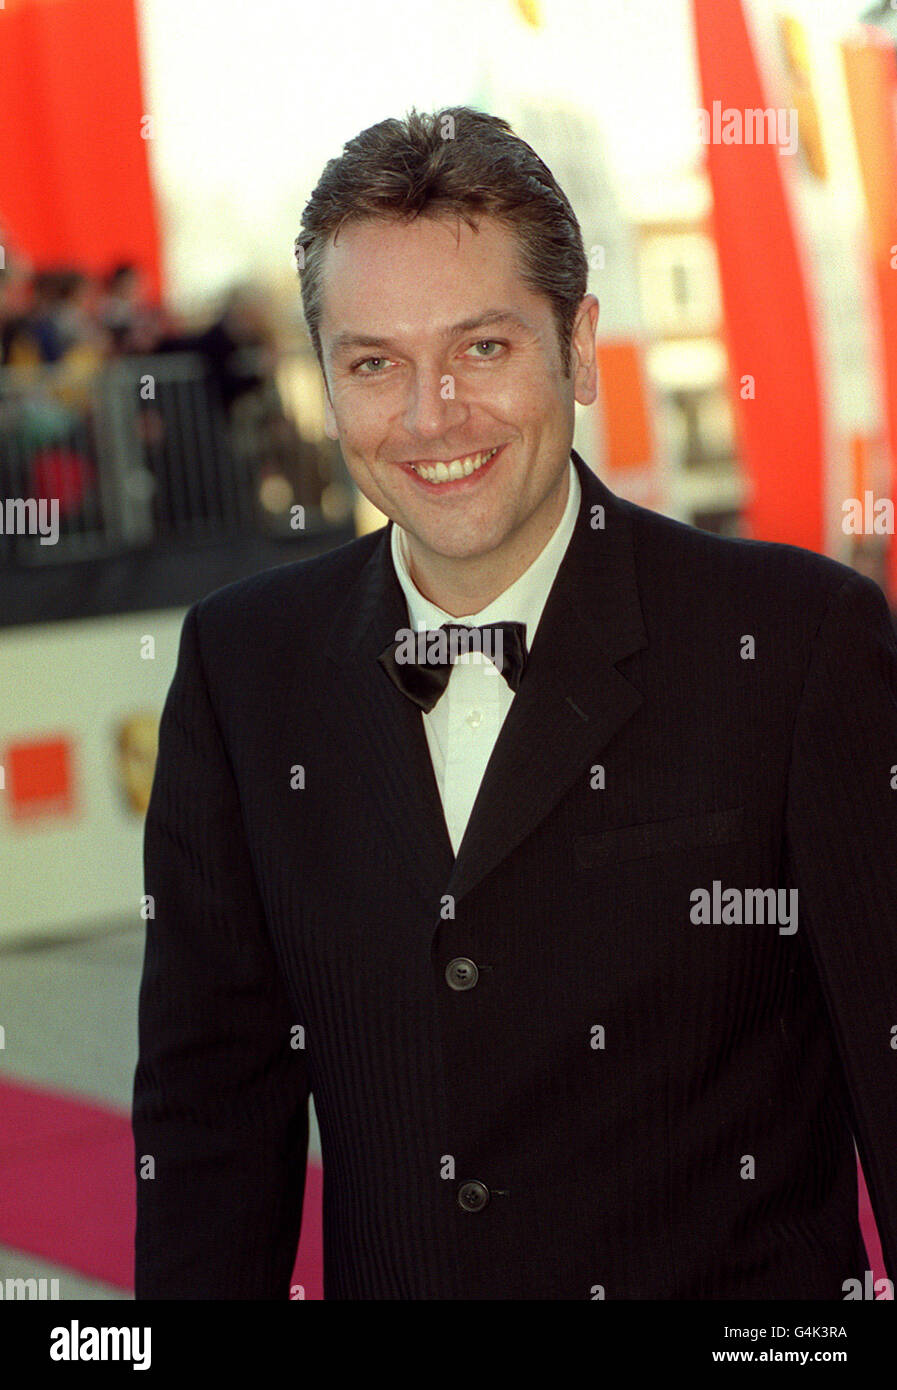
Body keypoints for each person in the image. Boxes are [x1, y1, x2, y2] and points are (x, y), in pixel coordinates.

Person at [132, 106, 897, 1300]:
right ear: (325, 380)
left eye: (482, 348)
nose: (431, 415)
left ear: (579, 348)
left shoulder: (798, 645)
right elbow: (208, 1116)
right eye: (375, 361)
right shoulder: (244, 669)